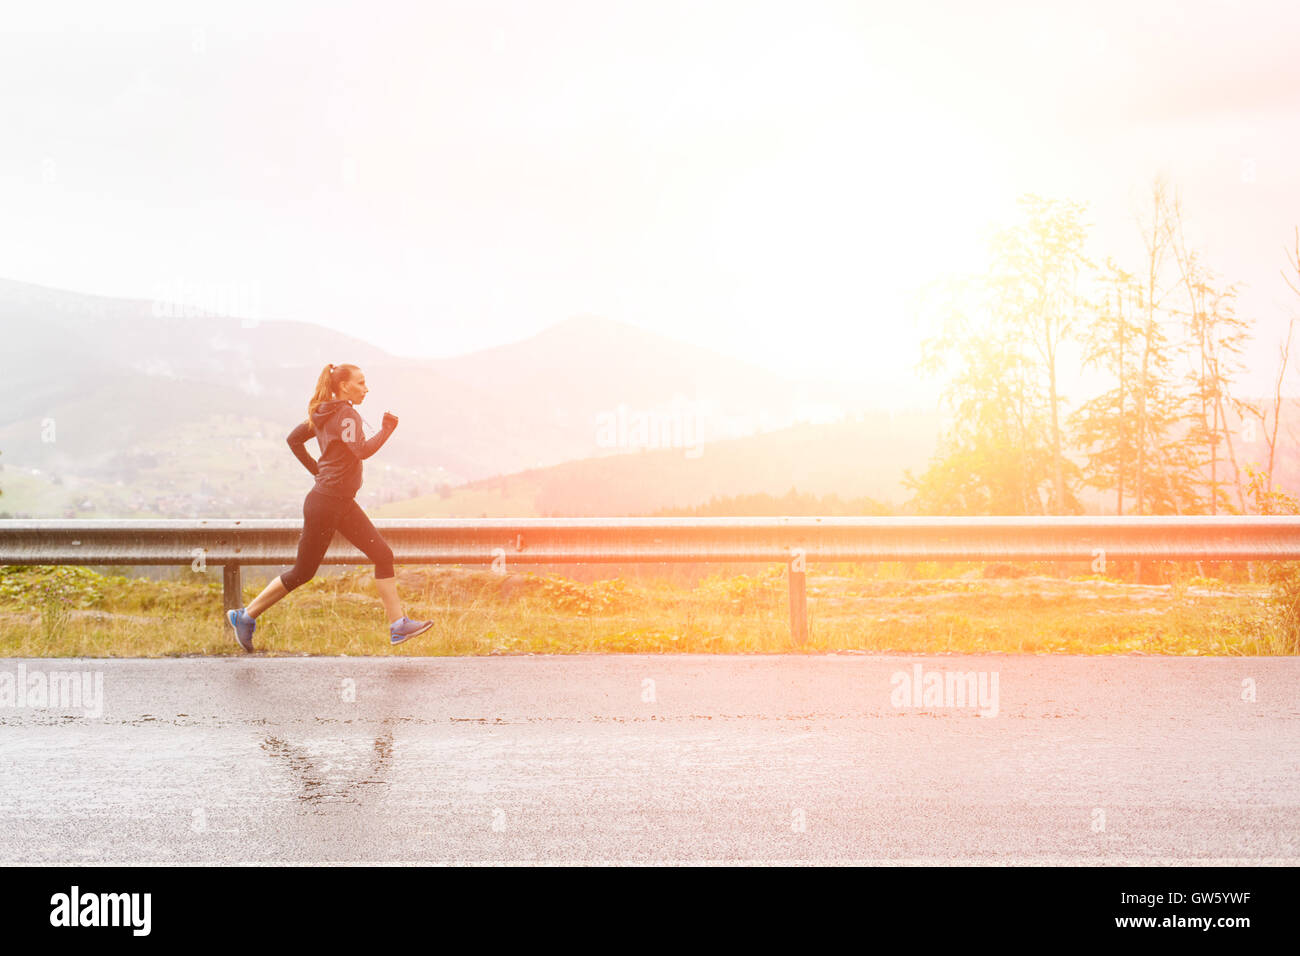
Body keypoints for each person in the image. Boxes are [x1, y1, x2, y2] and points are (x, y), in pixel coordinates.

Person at [226, 362, 434, 651]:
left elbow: (294, 439)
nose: (366, 388)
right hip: (327, 503)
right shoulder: (345, 414)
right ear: (343, 386)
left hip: (336, 502)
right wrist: (387, 429)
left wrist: (317, 472)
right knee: (305, 571)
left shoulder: (324, 412)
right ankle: (245, 616)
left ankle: (398, 625)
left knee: (377, 555)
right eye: (361, 383)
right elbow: (362, 450)